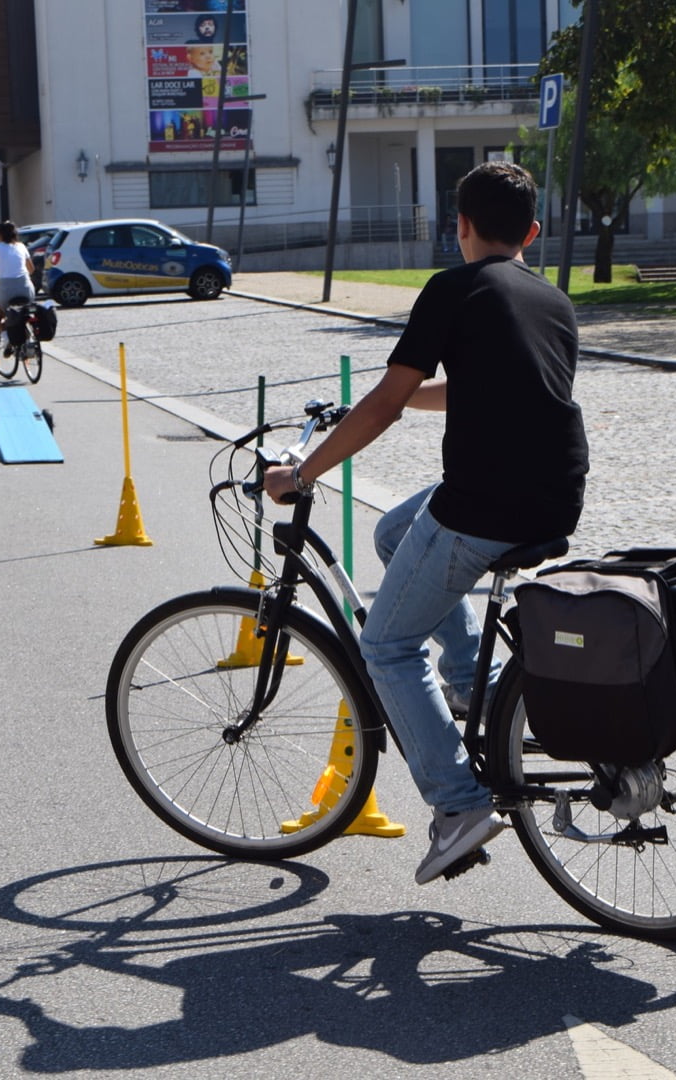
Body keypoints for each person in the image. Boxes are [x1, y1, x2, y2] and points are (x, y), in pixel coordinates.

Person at [263, 161, 589, 884]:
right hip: (554, 494)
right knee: (390, 532)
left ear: (459, 226)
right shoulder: (551, 300)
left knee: (385, 646)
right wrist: (408, 398)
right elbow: (488, 391)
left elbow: (381, 402)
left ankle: (456, 805)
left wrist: (303, 472)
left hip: (484, 501)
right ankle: (475, 682)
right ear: (531, 233)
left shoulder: (453, 288)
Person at [0, 221, 36, 354]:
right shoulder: (21, 246)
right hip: (26, 287)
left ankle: (6, 337)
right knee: (24, 313)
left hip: (7, 288)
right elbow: (31, 269)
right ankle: (29, 339)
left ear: (0, 235)